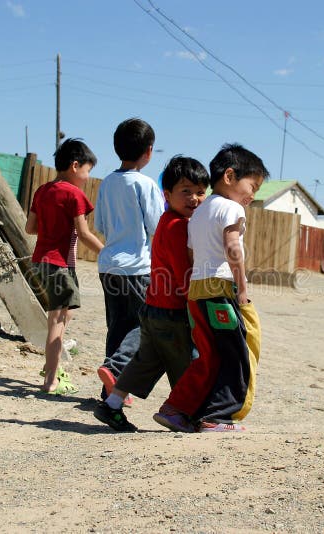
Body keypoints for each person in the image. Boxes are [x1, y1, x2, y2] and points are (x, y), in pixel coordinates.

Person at [153, 143, 268, 433]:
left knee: (209, 355)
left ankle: (178, 408)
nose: (253, 195)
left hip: (197, 291)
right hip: (220, 288)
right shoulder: (231, 207)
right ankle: (217, 417)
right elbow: (233, 248)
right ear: (229, 176)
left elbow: (192, 255)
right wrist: (241, 287)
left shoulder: (200, 212)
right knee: (235, 354)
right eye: (252, 186)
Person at [93, 156, 209, 431]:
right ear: (167, 194)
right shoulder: (180, 227)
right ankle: (183, 413)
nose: (194, 198)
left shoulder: (167, 222)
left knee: (145, 363)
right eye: (186, 191)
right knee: (191, 363)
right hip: (173, 312)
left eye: (201, 192)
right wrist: (195, 299)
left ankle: (110, 406)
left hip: (153, 308)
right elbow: (183, 273)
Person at [25, 138, 103, 395]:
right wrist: (106, 252)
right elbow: (83, 232)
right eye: (88, 171)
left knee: (63, 315)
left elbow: (30, 228)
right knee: (57, 323)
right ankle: (50, 379)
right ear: (75, 165)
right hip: (60, 265)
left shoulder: (42, 191)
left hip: (40, 262)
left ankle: (51, 366)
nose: (88, 177)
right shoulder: (74, 194)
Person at [94, 118, 165, 401]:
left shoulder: (107, 183)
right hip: (137, 268)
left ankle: (109, 388)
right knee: (145, 325)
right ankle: (116, 367)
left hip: (108, 264)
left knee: (118, 327)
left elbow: (100, 224)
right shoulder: (145, 184)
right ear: (149, 151)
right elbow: (157, 227)